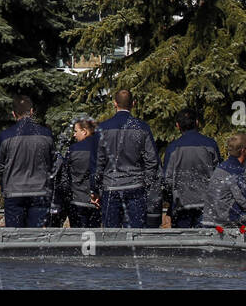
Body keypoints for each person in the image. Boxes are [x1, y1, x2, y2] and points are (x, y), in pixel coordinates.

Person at [94, 90, 159, 228]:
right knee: (136, 234)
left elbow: (98, 161)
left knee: (111, 236)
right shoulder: (142, 127)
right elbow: (152, 160)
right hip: (135, 186)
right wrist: (146, 183)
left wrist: (96, 187)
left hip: (111, 186)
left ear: (115, 103)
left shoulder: (103, 128)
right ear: (133, 104)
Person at [0, 96, 54, 228]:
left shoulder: (5, 136)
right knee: (36, 238)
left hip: (14, 191)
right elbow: (52, 163)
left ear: (13, 114)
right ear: (32, 111)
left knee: (15, 238)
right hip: (39, 190)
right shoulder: (46, 134)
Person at [161, 111, 220, 229]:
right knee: (206, 242)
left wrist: (170, 200)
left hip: (182, 204)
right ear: (197, 123)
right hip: (206, 204)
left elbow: (167, 179)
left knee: (183, 243)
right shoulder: (210, 145)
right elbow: (218, 175)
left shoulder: (173, 148)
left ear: (177, 126)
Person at [55, 119, 101, 228]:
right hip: (97, 201)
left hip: (77, 201)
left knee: (78, 238)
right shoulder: (101, 148)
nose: (74, 135)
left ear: (84, 131)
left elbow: (65, 178)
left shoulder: (73, 150)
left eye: (76, 131)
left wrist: (65, 199)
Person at [202, 133, 246, 229]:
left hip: (209, 220)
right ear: (243, 150)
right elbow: (244, 202)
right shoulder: (236, 172)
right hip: (224, 224)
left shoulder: (222, 166)